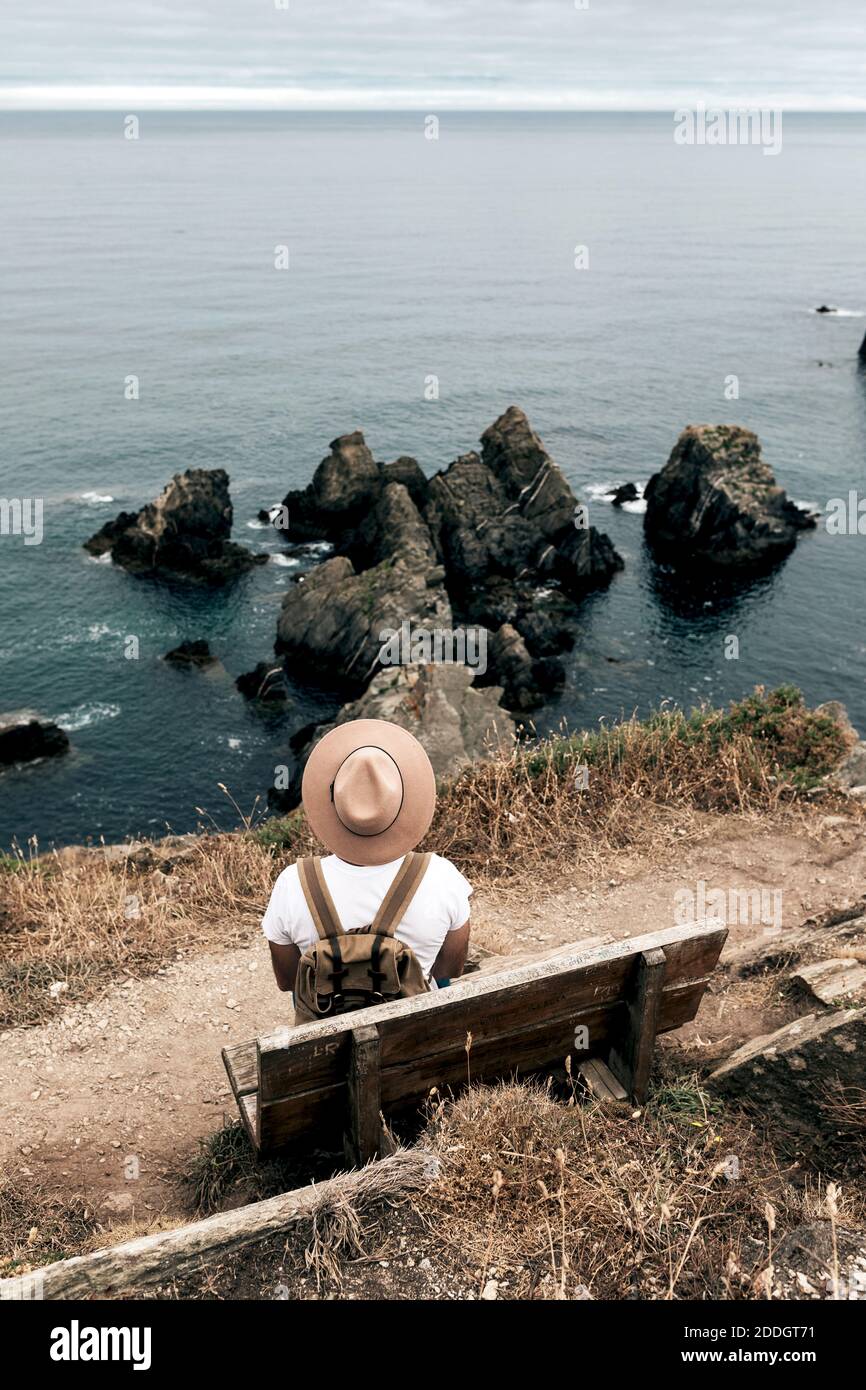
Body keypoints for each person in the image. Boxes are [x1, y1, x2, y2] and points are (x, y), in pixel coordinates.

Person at [262, 718, 472, 1019]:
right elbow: (449, 969)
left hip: (324, 1038)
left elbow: (288, 981)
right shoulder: (441, 877)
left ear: (334, 805)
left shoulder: (293, 883)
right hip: (412, 1033)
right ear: (402, 801)